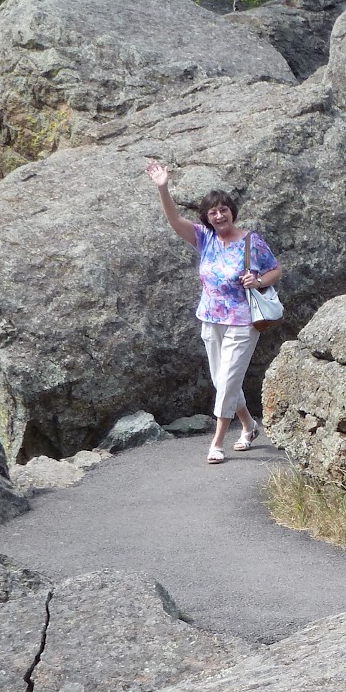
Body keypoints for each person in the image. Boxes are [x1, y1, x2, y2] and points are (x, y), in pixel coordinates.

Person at [145, 158, 282, 464]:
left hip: (242, 321)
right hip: (210, 318)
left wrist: (258, 280)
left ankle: (218, 441)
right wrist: (163, 188)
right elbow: (173, 221)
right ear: (207, 217)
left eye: (223, 209)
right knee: (223, 381)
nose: (219, 215)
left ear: (232, 211)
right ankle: (248, 425)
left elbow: (276, 270)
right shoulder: (204, 238)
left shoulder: (251, 241)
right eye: (213, 212)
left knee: (230, 379)